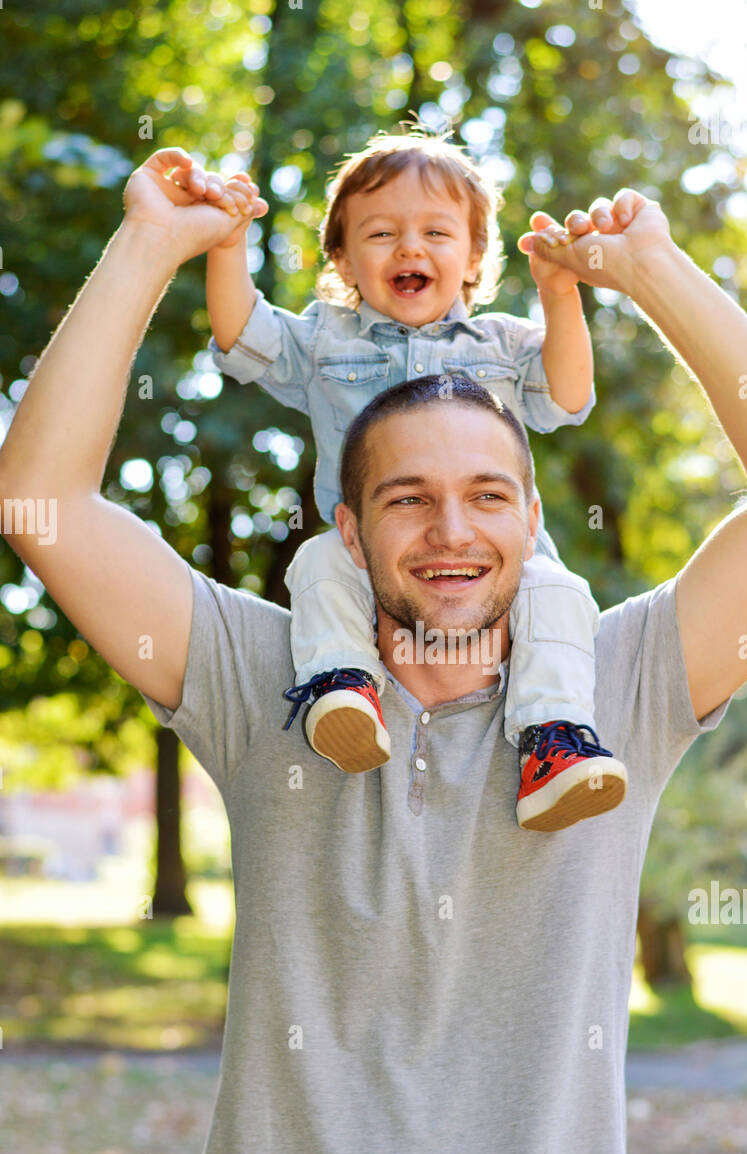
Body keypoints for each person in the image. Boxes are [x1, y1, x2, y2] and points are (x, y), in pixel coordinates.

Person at [0, 149, 747, 1154]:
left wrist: (652, 271)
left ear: (531, 517)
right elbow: (43, 503)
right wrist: (153, 243)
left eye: (488, 495)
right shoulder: (269, 677)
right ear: (349, 533)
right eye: (406, 497)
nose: (449, 529)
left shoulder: (619, 686)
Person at [165, 129, 628, 832]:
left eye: (435, 232)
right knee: (316, 561)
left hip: (488, 557)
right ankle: (344, 687)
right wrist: (227, 246)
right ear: (343, 258)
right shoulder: (327, 339)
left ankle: (552, 743)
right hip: (370, 555)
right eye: (381, 233)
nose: (410, 248)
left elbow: (565, 397)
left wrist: (559, 294)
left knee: (561, 593)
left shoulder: (499, 346)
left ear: (473, 257)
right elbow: (242, 338)